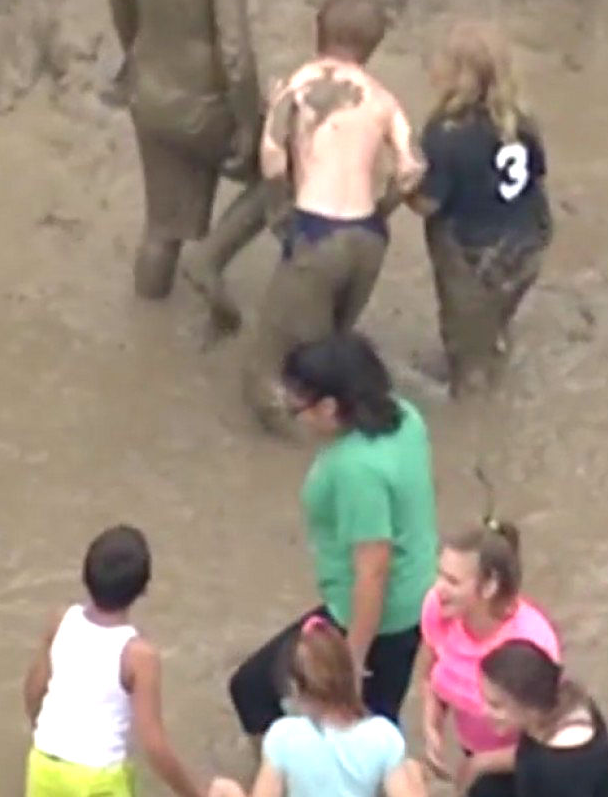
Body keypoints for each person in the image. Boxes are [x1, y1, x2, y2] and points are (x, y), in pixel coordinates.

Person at [228, 333, 438, 742]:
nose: (295, 415)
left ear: (329, 407)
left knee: (255, 690)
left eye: (297, 407)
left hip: (373, 617)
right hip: (411, 601)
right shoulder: (405, 417)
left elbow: (373, 571)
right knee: (375, 730)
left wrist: (352, 662)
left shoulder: (355, 470)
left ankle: (285, 777)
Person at [242, 0, 423, 433]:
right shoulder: (383, 99)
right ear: (373, 46)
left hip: (318, 234)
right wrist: (382, 211)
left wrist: (280, 216)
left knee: (267, 366)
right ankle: (352, 423)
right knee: (328, 347)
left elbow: (271, 157)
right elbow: (412, 170)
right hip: (369, 239)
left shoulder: (299, 85)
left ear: (317, 30)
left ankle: (297, 452)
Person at [107, 0, 270, 321]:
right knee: (283, 173)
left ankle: (145, 328)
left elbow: (119, 2)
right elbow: (236, 56)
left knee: (161, 227)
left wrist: (135, 58)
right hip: (203, 108)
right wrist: (248, 126)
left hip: (148, 93)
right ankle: (212, 260)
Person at [408, 23, 551, 397]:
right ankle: (492, 339)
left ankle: (471, 417)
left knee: (465, 350)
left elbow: (428, 205)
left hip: (472, 254)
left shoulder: (444, 134)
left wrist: (403, 183)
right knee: (497, 311)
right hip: (529, 243)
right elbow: (537, 175)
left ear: (458, 78)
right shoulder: (522, 120)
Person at [23, 525, 207, 797]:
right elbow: (154, 745)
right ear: (143, 589)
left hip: (44, 765)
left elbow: (33, 689)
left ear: (85, 574)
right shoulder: (138, 655)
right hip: (99, 780)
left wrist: (45, 734)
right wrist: (195, 793)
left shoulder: (60, 621)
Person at [417, 521, 561, 797]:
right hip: (474, 752)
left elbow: (549, 734)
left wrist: (481, 765)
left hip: (529, 766)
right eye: (440, 575)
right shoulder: (439, 611)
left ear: (489, 586)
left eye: (452, 581)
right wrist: (432, 726)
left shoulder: (531, 641)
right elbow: (429, 672)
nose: (438, 589)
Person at [208, 619, 428, 797]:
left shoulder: (283, 736)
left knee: (222, 789)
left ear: (296, 689)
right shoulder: (383, 736)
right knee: (412, 770)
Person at [477, 642, 608, 797]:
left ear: (528, 703)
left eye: (496, 705)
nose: (483, 710)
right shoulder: (567, 703)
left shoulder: (555, 769)